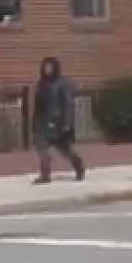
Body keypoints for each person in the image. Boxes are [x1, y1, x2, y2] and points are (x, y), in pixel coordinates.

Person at [32, 57, 85, 185]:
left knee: (65, 149)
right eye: (45, 67)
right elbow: (38, 105)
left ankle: (79, 166)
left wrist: (67, 123)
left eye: (49, 67)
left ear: (55, 68)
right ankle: (45, 175)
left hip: (58, 122)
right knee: (41, 147)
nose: (47, 70)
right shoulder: (41, 84)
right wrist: (35, 121)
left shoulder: (63, 83)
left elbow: (68, 104)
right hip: (43, 122)